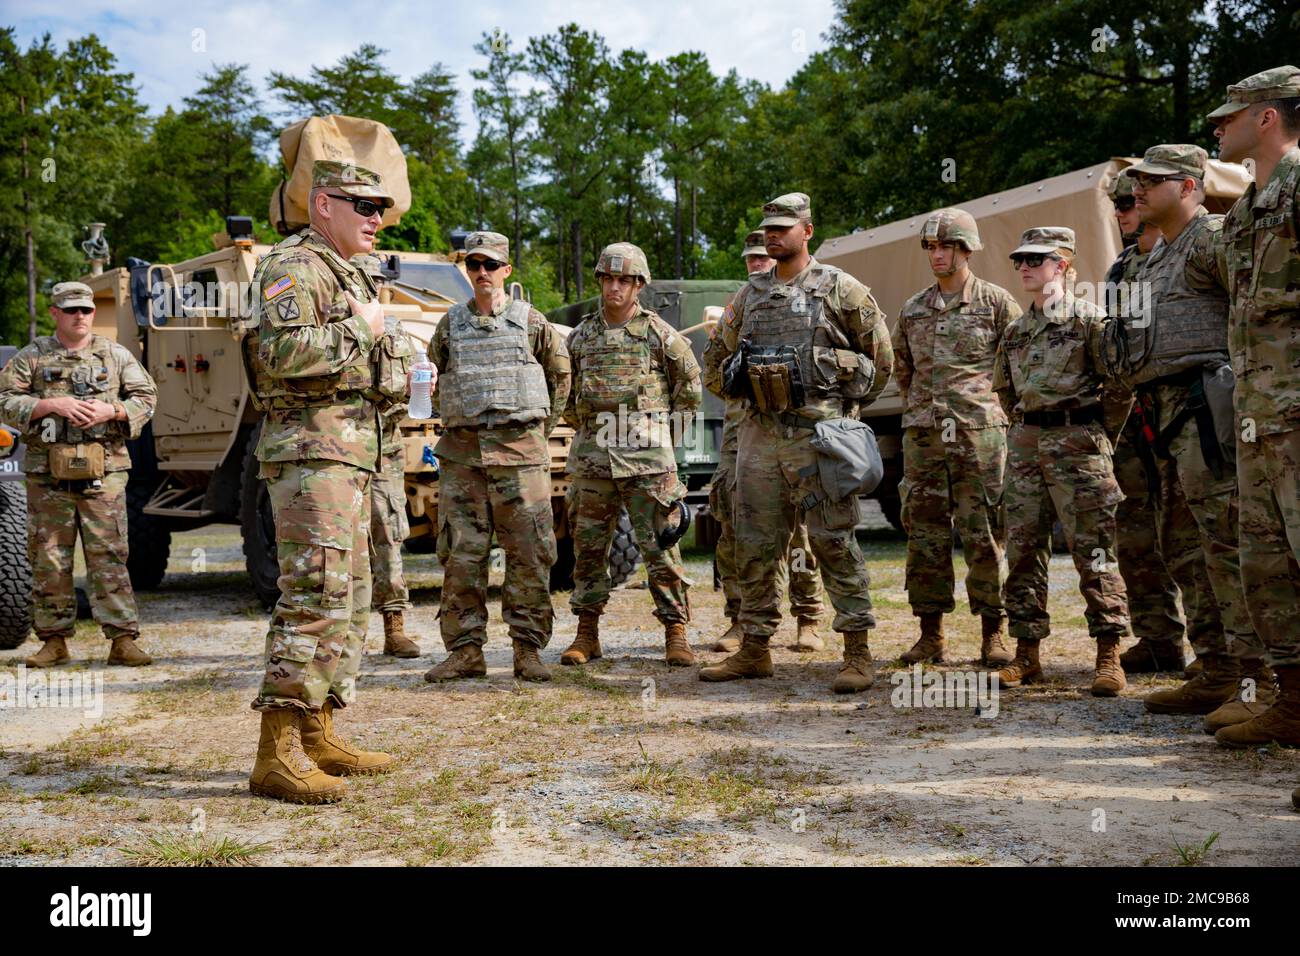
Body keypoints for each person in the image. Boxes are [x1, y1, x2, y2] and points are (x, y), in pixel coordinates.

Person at [243, 160, 397, 804]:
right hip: (311, 451)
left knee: (351, 594)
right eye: (361, 206)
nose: (375, 218)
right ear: (322, 204)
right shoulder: (293, 266)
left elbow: (374, 357)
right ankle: (275, 752)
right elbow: (281, 352)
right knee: (314, 591)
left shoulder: (348, 271)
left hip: (350, 453)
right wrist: (365, 326)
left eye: (380, 207)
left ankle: (316, 729)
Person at [699, 192, 893, 692]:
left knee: (832, 540)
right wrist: (743, 386)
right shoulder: (749, 295)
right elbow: (714, 364)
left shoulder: (841, 290)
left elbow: (881, 363)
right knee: (755, 544)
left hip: (817, 439)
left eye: (784, 226)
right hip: (761, 437)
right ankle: (756, 648)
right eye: (768, 226)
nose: (773, 233)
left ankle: (857, 652)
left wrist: (843, 412)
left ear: (807, 231)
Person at [1107, 145, 1268, 729]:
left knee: (1227, 545)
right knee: (1185, 548)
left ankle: (1259, 682)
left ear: (1191, 186)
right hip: (1162, 418)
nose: (1138, 191)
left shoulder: (1211, 240)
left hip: (1206, 410)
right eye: (1135, 183)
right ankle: (1217, 668)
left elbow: (1257, 310)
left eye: (1151, 182)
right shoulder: (1150, 259)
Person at [1204, 67, 1300, 773]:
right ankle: (1293, 701)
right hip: (1257, 419)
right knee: (1266, 567)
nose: (1217, 127)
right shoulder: (1245, 212)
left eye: (1228, 116)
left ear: (1266, 117)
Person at [422, 231, 571, 682]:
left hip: (520, 458)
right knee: (462, 554)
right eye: (473, 265)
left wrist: (536, 433)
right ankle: (466, 651)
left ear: (507, 270)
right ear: (467, 271)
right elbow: (435, 379)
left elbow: (560, 378)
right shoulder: (450, 324)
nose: (482, 273)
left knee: (528, 553)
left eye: (490, 265)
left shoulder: (532, 322)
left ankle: (527, 651)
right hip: (463, 459)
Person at [993, 227, 1130, 696]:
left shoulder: (1090, 322)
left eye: (1037, 259)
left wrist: (1096, 433)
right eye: (1020, 260)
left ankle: (1108, 655)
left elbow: (1119, 388)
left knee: (1094, 550)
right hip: (1027, 443)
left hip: (1079, 442)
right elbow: (1004, 391)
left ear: (1063, 265)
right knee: (1023, 550)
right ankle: (1027, 654)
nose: (1026, 267)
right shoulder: (1015, 330)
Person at [558, 242, 701, 667]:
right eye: (608, 279)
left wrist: (665, 437)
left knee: (661, 547)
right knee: (588, 549)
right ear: (600, 281)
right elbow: (565, 391)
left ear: (639, 285)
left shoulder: (659, 334)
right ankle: (587, 633)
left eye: (624, 280)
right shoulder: (582, 336)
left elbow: (689, 387)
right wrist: (585, 427)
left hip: (648, 461)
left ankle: (676, 632)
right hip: (593, 459)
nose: (615, 287)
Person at [0, 281, 157, 668]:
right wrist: (49, 404)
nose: (80, 316)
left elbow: (146, 398)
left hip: (105, 471)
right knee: (49, 557)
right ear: (55, 312)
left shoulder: (115, 355)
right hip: (47, 475)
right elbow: (5, 401)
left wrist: (113, 412)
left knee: (109, 555)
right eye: (71, 310)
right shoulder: (32, 357)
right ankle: (54, 641)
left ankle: (123, 640)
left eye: (86, 310)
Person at [893, 208, 1019, 666]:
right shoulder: (913, 309)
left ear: (967, 249)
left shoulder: (996, 303)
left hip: (979, 436)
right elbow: (902, 370)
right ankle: (931, 635)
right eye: (931, 247)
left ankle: (993, 633)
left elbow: (1016, 367)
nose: (938, 255)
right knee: (924, 536)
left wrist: (988, 410)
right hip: (924, 437)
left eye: (946, 246)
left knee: (984, 533)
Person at [709, 228, 827, 655]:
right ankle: (741, 619)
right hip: (742, 435)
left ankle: (807, 617)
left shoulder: (797, 304)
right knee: (734, 526)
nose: (758, 264)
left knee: (798, 532)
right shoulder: (740, 306)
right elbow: (713, 365)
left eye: (763, 257)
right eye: (751, 259)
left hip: (790, 433)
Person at [1102, 175, 1191, 675]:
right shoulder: (1120, 269)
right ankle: (1157, 637)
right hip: (1130, 419)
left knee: (1188, 533)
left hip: (1177, 410)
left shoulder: (1184, 252)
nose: (1122, 211)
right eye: (1117, 204)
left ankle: (1218, 652)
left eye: (1130, 202)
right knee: (1133, 534)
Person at [352, 254, 421, 659]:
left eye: (376, 281)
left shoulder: (396, 334)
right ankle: (346, 632)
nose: (371, 287)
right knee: (342, 541)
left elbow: (414, 391)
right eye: (364, 280)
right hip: (340, 450)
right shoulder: (332, 333)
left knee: (389, 535)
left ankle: (394, 626)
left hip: (384, 450)